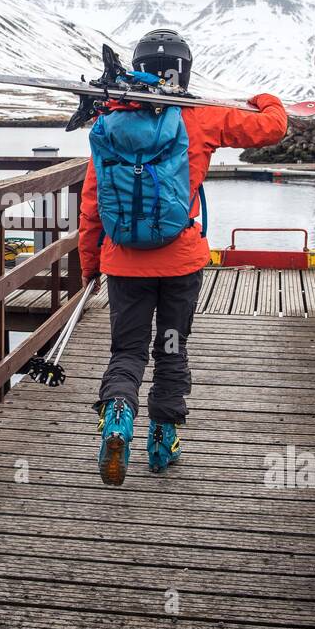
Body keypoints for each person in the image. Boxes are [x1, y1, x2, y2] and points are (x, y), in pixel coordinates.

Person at [77, 29, 288, 485]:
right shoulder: (202, 116)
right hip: (181, 263)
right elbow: (272, 127)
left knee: (127, 351)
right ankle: (161, 441)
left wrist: (89, 266)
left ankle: (117, 415)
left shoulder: (110, 121)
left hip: (123, 263)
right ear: (184, 70)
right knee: (171, 348)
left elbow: (92, 205)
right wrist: (264, 97)